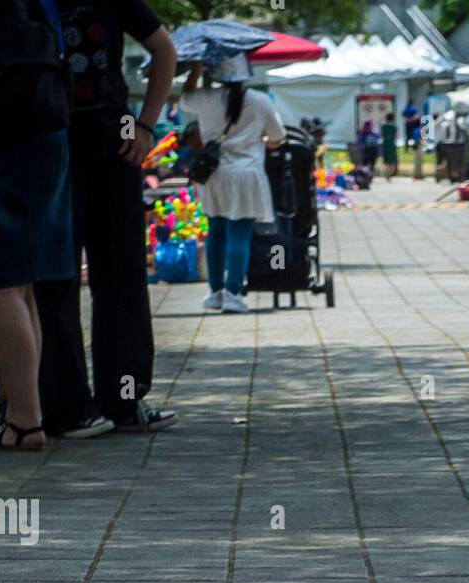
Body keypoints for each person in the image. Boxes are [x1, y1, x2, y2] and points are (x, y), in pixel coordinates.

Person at [34, 1, 178, 438]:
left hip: (108, 142)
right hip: (52, 138)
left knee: (116, 275)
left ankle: (118, 399)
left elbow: (164, 50)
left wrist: (147, 126)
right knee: (58, 279)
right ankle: (73, 406)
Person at [0, 0, 73, 450]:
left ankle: (25, 419)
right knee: (22, 285)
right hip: (47, 137)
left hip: (7, 144)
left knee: (3, 285)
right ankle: (22, 410)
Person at [180, 56, 284, 314]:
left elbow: (184, 99)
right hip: (246, 175)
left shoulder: (207, 98)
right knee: (239, 234)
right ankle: (233, 292)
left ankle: (214, 292)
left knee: (216, 232)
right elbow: (277, 138)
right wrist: (259, 139)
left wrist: (194, 70)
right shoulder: (260, 101)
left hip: (213, 175)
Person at [381, 110, 398, 181]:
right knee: (392, 160)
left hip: (385, 143)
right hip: (392, 143)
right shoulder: (394, 126)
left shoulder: (383, 126)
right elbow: (396, 136)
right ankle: (390, 174)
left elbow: (381, 134)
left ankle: (386, 173)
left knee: (386, 160)